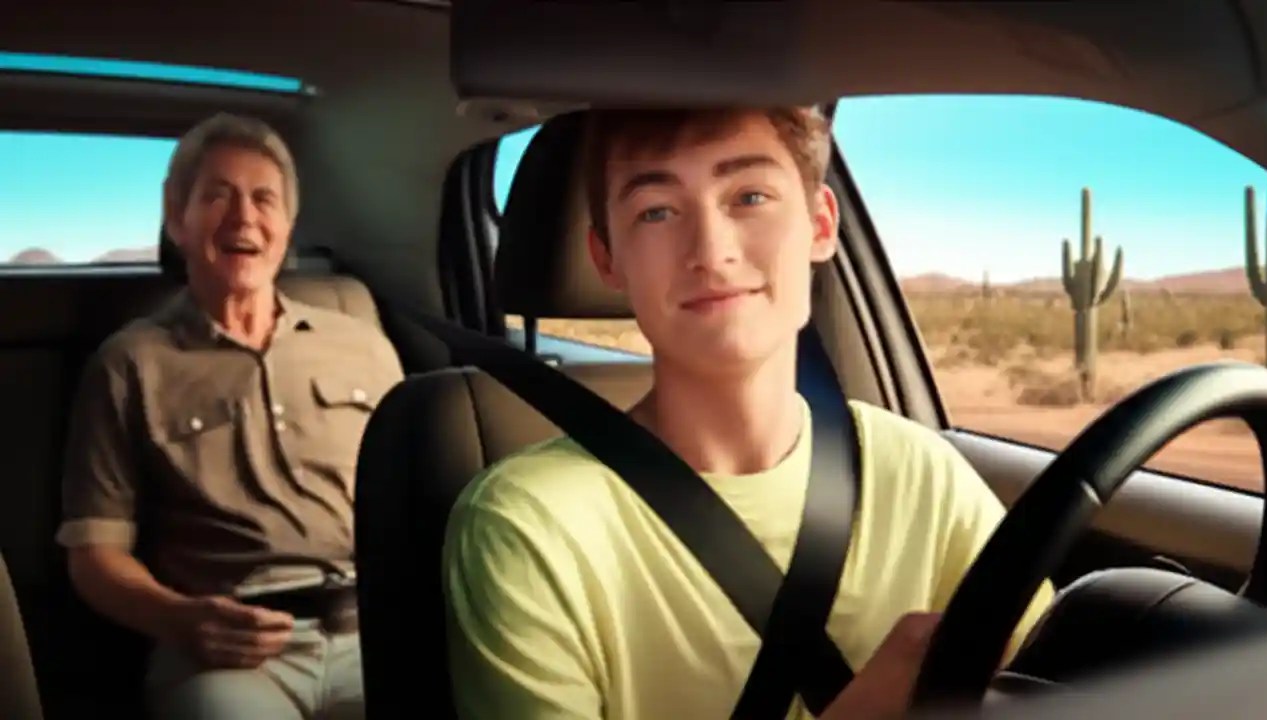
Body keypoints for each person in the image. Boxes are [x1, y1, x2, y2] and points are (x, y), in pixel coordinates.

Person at [442, 106, 1056, 719]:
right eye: (656, 211)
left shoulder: (926, 476)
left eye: (750, 196)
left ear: (819, 225)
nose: (710, 250)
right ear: (608, 260)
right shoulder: (527, 527)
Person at [56, 113, 404, 719]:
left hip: (378, 630)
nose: (244, 218)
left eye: (263, 198)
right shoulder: (130, 363)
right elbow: (93, 554)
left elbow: (418, 500)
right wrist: (181, 620)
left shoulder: (363, 342)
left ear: (287, 225)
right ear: (177, 221)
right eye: (217, 195)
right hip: (225, 655)